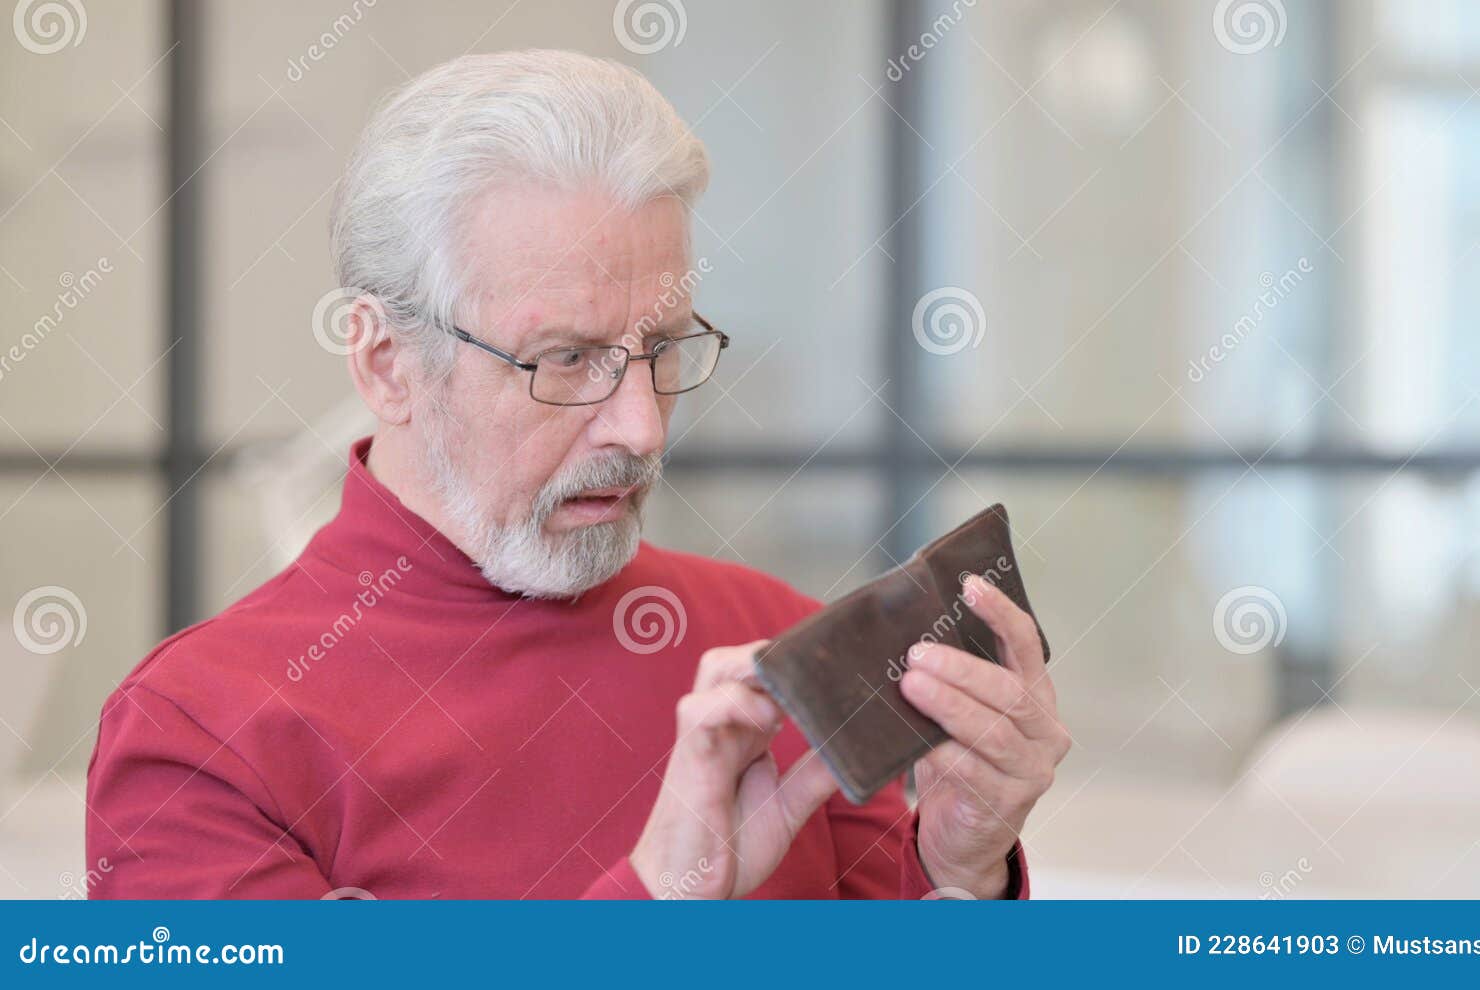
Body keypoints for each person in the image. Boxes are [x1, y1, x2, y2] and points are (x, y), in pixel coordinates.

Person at [85, 49, 1071, 899]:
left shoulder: (765, 642)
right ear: (385, 361)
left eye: (664, 350)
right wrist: (658, 901)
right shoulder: (202, 736)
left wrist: (961, 873)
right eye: (564, 359)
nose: (640, 428)